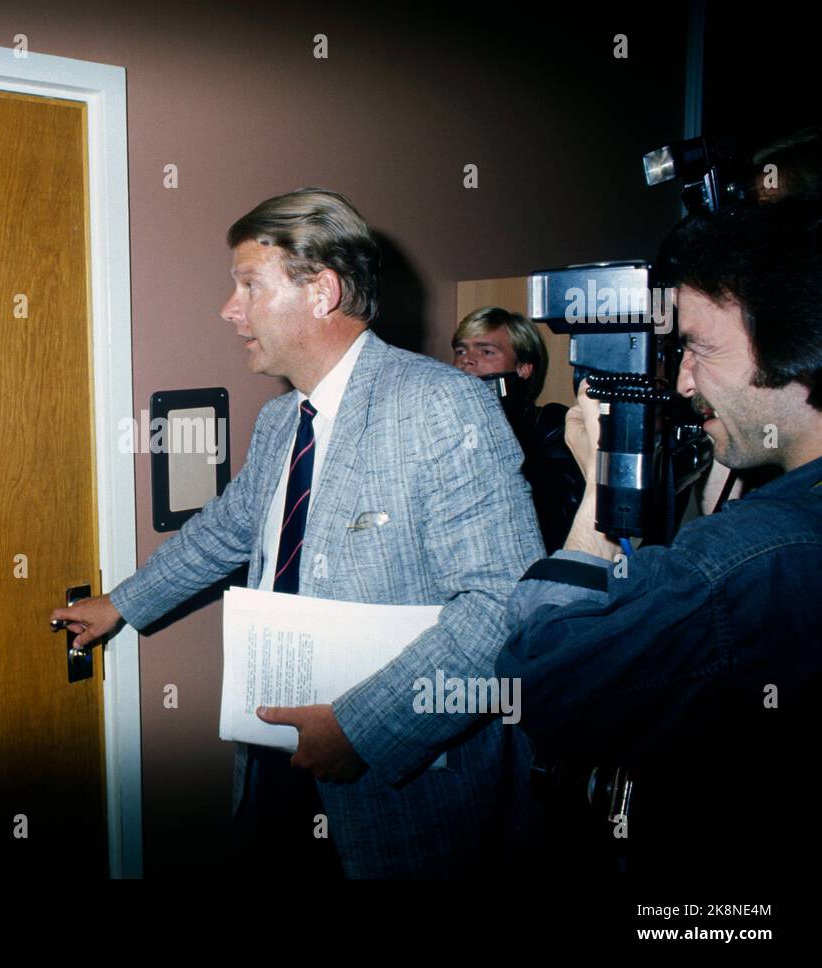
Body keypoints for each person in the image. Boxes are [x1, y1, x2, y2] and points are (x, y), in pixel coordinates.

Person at [52, 188, 544, 877]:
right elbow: (226, 532)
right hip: (273, 765)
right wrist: (121, 604)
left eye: (249, 285)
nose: (230, 309)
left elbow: (506, 607)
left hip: (400, 785)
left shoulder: (440, 405)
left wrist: (362, 729)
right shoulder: (284, 420)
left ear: (323, 291)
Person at [496, 195, 822, 881]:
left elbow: (540, 677)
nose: (681, 379)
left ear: (797, 347)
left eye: (700, 349)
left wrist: (599, 496)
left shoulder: (748, 558)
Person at [452, 306, 584, 551]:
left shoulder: (550, 425)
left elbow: (560, 516)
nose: (466, 360)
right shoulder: (450, 428)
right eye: (461, 350)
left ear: (523, 369)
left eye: (487, 351)